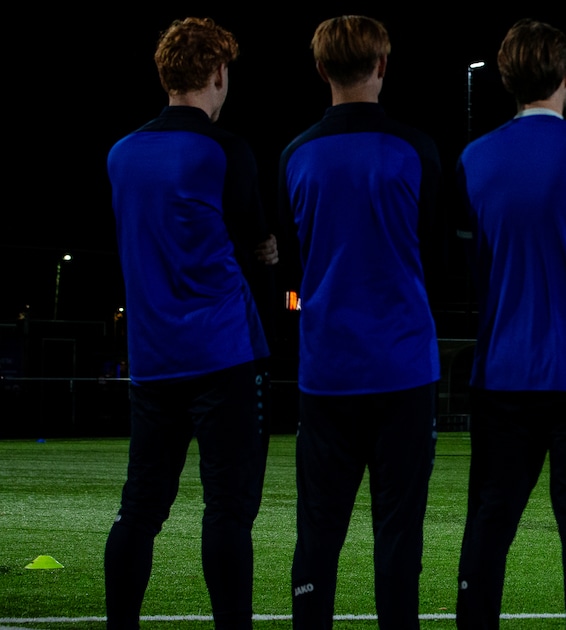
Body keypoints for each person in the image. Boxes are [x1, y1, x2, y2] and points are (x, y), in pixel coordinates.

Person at [454, 18, 566, 629]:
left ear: (507, 81)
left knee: (487, 533)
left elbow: (472, 273)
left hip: (504, 373)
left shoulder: (474, 159)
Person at [104, 17, 276, 630]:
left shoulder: (121, 154)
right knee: (227, 512)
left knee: (140, 509)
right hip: (223, 354)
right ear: (219, 73)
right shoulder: (225, 148)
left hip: (154, 359)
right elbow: (259, 244)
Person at [279, 15, 441, 630]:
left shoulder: (296, 154)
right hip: (402, 368)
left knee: (318, 531)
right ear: (382, 66)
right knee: (398, 534)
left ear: (321, 70)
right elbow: (436, 256)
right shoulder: (416, 149)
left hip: (327, 371)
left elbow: (291, 262)